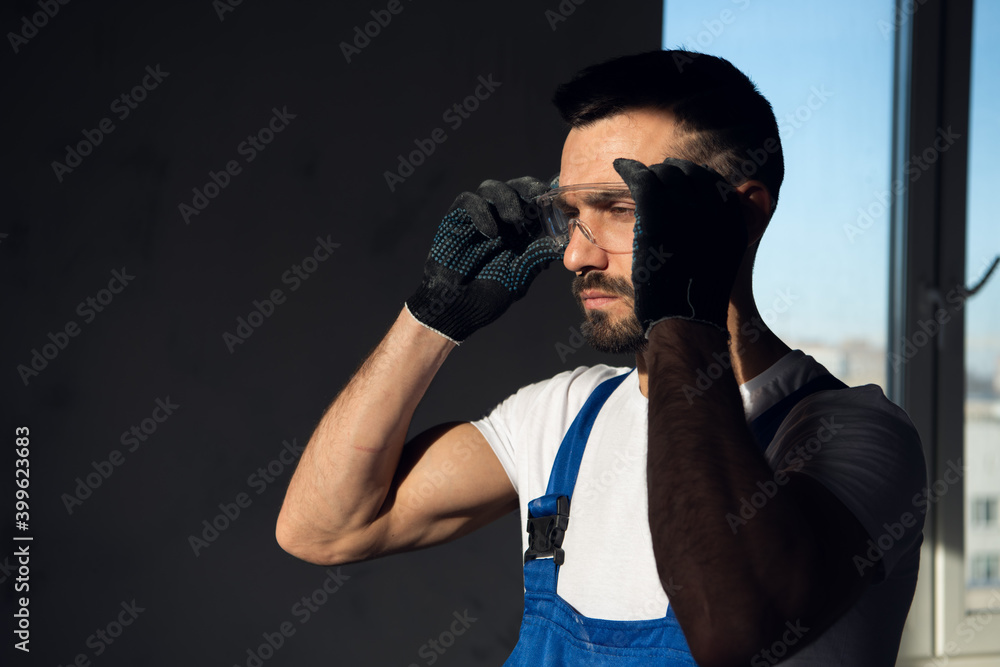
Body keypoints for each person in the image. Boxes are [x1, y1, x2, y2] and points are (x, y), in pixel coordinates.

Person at [276, 50, 927, 666]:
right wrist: (430, 319)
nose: (576, 255)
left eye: (618, 208)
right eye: (571, 215)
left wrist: (681, 315)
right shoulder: (562, 417)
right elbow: (323, 528)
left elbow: (732, 625)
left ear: (741, 214)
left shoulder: (853, 434)